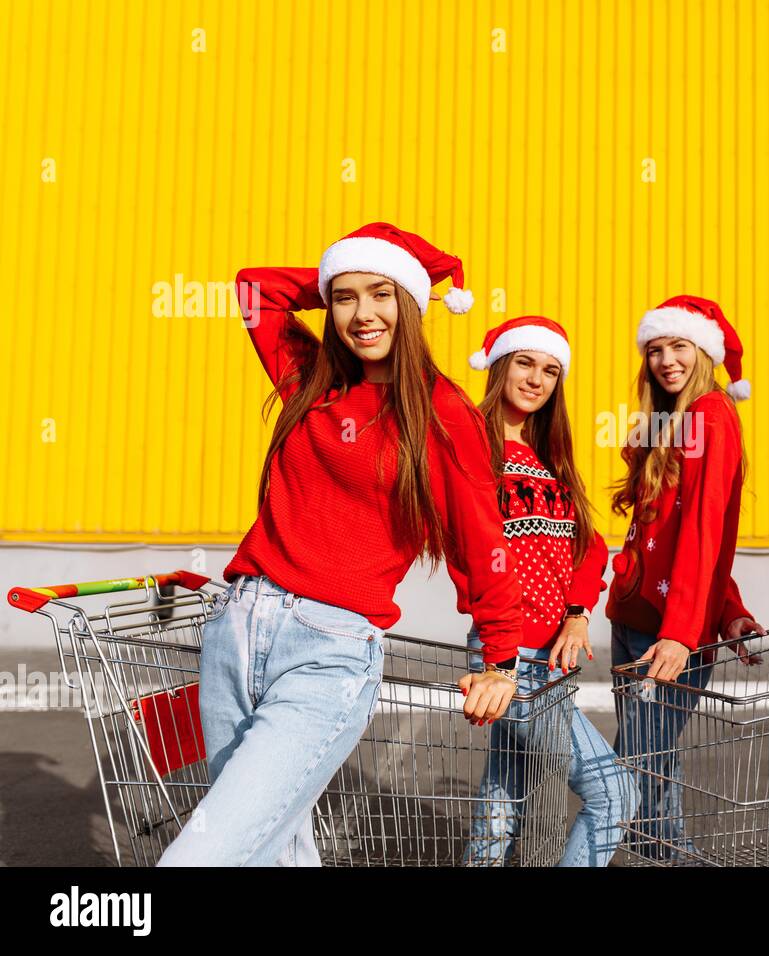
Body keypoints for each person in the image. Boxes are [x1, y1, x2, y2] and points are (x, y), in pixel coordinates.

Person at [158, 223, 523, 866]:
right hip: (234, 632)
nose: (361, 314)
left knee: (203, 854)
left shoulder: (443, 412)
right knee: (271, 849)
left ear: (410, 303)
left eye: (382, 294)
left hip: (327, 650)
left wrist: (501, 656)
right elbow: (255, 290)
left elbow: (482, 537)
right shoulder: (312, 378)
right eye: (345, 297)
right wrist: (332, 279)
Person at [460, 315, 638, 866]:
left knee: (503, 796)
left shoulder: (550, 460)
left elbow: (590, 546)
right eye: (525, 363)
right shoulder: (469, 450)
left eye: (551, 371)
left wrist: (580, 612)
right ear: (499, 367)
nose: (537, 379)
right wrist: (503, 653)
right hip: (509, 657)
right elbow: (468, 553)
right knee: (615, 795)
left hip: (552, 659)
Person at [606, 294, 766, 861]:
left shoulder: (712, 416)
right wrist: (729, 610)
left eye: (679, 347)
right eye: (655, 350)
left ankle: (662, 858)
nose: (666, 360)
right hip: (632, 621)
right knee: (650, 774)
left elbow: (705, 531)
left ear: (705, 352)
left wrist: (684, 630)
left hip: (666, 638)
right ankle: (663, 856)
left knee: (624, 773)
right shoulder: (667, 423)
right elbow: (680, 536)